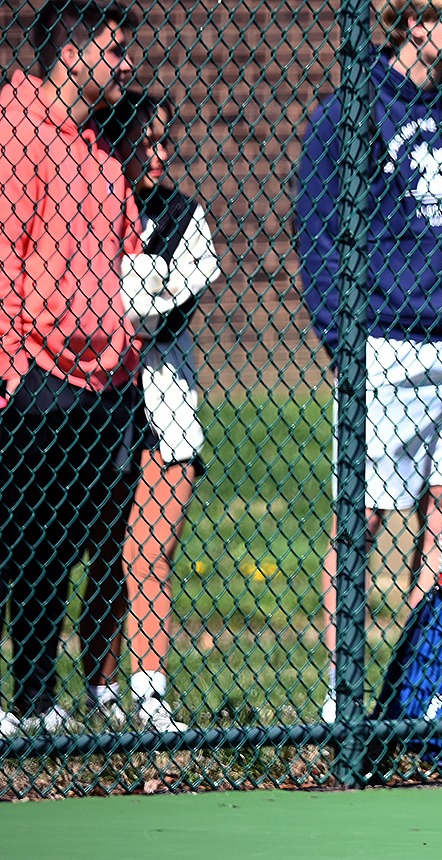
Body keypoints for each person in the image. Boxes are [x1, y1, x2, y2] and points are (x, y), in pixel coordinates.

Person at [295, 0, 442, 722]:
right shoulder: (350, 114)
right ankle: (342, 699)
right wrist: (345, 344)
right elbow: (318, 233)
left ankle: (418, 692)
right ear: (418, 22)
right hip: (387, 351)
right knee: (361, 522)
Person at [0, 2, 143, 738]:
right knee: (16, 543)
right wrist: (14, 370)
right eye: (115, 50)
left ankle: (31, 702)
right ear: (72, 47)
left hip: (100, 387)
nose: (126, 64)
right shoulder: (18, 126)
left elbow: (125, 260)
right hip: (35, 382)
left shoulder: (101, 148)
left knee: (51, 551)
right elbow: (4, 255)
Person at [76, 88, 217, 733]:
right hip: (93, 400)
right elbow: (87, 294)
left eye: (166, 141)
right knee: (98, 553)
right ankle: (96, 694)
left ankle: (152, 701)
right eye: (145, 140)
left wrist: (118, 290)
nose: (158, 154)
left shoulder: (185, 215)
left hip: (165, 405)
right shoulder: (83, 206)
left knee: (147, 554)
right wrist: (133, 288)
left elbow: (162, 311)